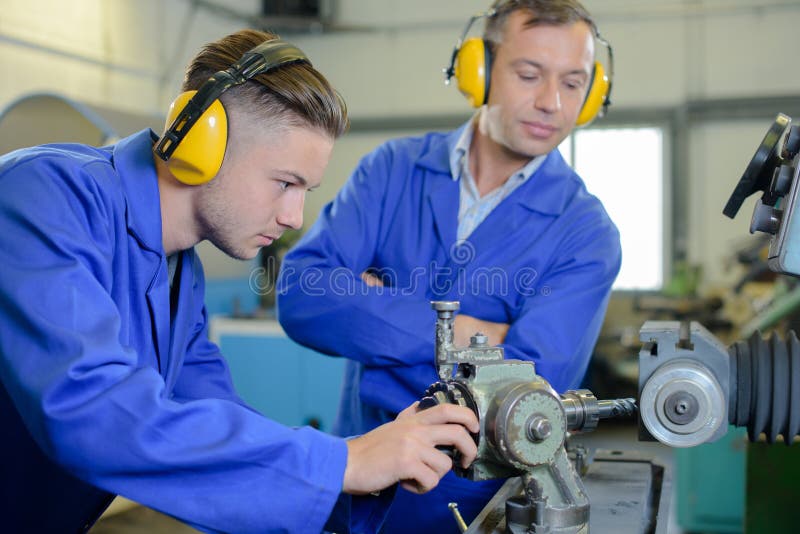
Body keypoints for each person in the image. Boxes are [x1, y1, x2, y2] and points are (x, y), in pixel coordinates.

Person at [0, 29, 480, 534]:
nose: (296, 217)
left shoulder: (180, 274)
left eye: (306, 189)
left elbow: (216, 416)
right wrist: (343, 463)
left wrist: (368, 469)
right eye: (286, 183)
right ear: (200, 140)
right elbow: (88, 410)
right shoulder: (43, 196)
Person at [277, 1, 622, 532]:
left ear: (593, 91)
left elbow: (532, 393)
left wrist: (371, 304)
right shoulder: (391, 171)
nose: (552, 102)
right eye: (529, 74)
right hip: (356, 488)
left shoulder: (587, 234)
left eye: (573, 83)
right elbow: (302, 295)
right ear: (476, 70)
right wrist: (474, 336)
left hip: (477, 507)